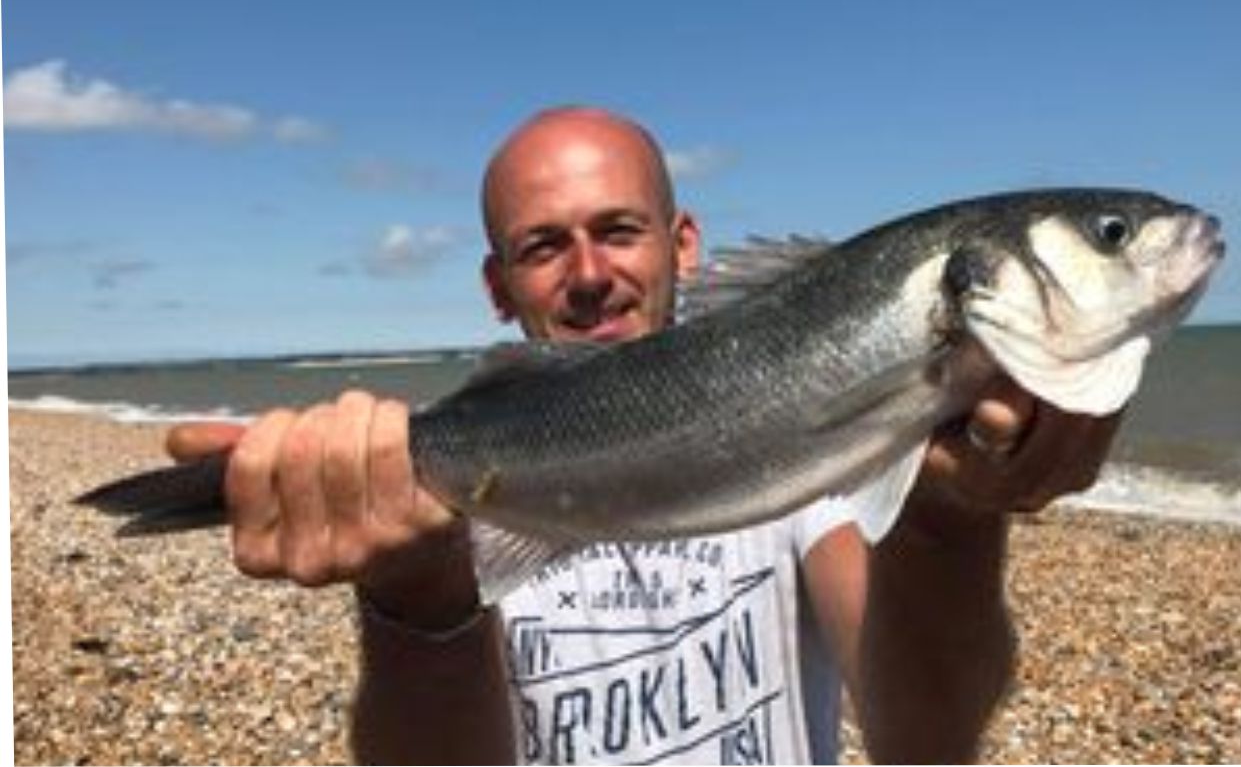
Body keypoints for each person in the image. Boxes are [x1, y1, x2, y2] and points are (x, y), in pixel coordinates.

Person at [168, 106, 1121, 764]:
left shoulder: (811, 436)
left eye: (619, 230)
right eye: (544, 246)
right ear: (498, 287)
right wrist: (419, 599)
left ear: (684, 245)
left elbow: (927, 743)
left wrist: (953, 521)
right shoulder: (447, 505)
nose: (589, 274)